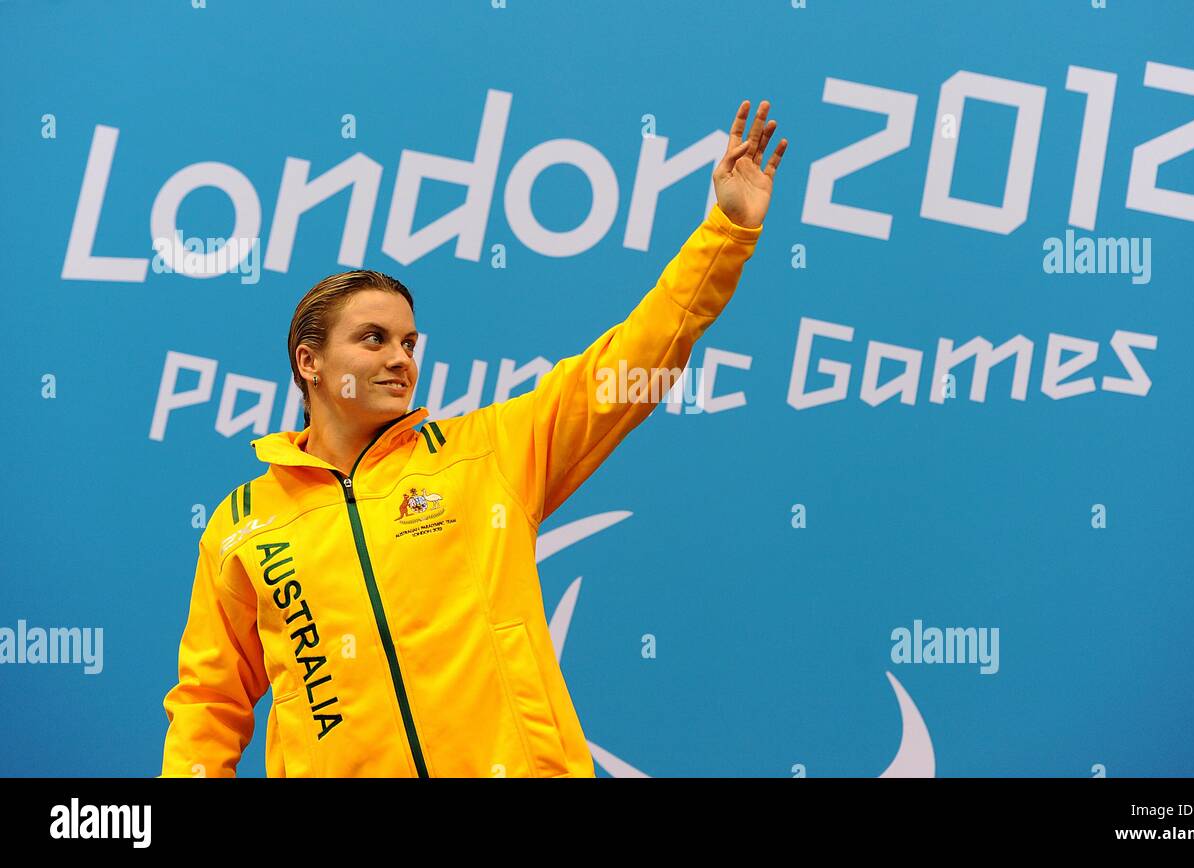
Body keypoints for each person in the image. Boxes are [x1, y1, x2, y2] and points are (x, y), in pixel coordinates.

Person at [159, 100, 788, 777]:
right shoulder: (242, 525)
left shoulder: (488, 454)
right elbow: (208, 707)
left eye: (408, 341)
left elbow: (628, 362)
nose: (401, 358)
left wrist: (725, 231)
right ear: (310, 363)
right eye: (373, 339)